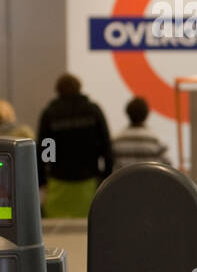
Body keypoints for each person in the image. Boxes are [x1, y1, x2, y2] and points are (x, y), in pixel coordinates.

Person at [36, 74, 112, 218]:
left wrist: (43, 179)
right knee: (87, 227)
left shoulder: (50, 113)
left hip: (58, 182)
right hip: (88, 181)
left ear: (57, 90)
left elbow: (45, 149)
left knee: (56, 231)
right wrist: (105, 177)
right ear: (79, 87)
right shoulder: (93, 111)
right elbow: (106, 147)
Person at [112, 97, 170, 170]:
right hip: (150, 180)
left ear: (128, 113)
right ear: (146, 114)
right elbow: (168, 167)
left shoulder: (117, 140)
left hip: (124, 181)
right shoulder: (155, 141)